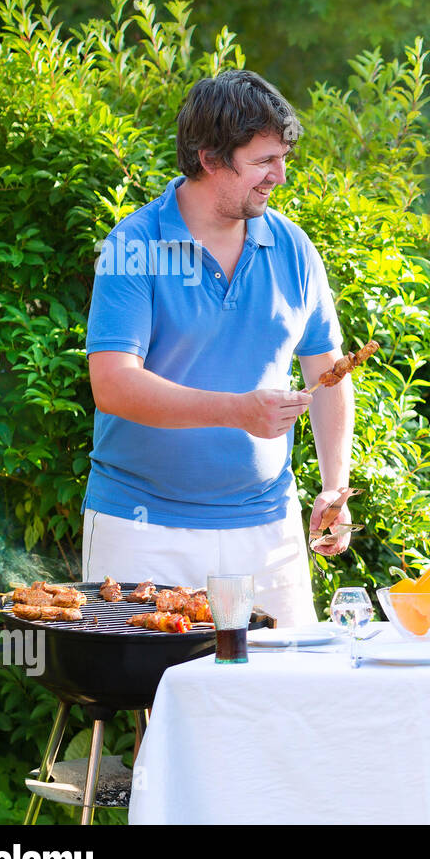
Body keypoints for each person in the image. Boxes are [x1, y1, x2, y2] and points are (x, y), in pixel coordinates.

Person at [82, 70, 354, 627]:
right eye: (262, 162)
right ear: (209, 159)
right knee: (157, 707)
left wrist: (333, 486)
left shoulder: (292, 247)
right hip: (141, 530)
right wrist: (236, 411)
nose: (279, 176)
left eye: (282, 158)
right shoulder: (135, 245)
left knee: (284, 703)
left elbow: (329, 370)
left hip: (267, 529)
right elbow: (112, 384)